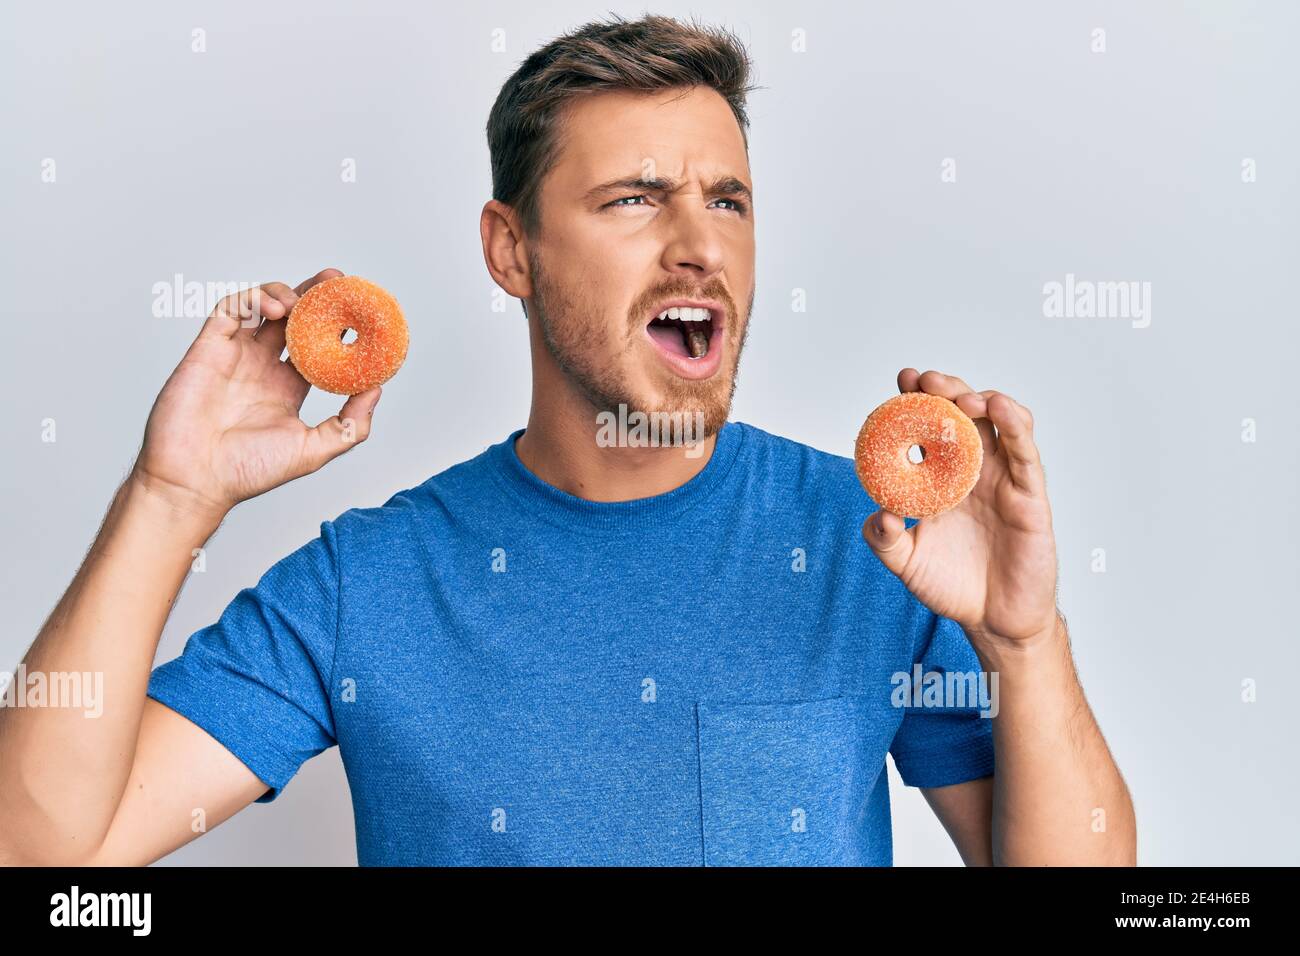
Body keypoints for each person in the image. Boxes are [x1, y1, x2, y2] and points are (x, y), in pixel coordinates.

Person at [0, 14, 1135, 866]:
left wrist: (1025, 647)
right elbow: (41, 848)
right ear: (510, 251)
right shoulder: (369, 582)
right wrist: (169, 495)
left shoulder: (878, 542)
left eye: (728, 202)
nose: (700, 247)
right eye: (636, 200)